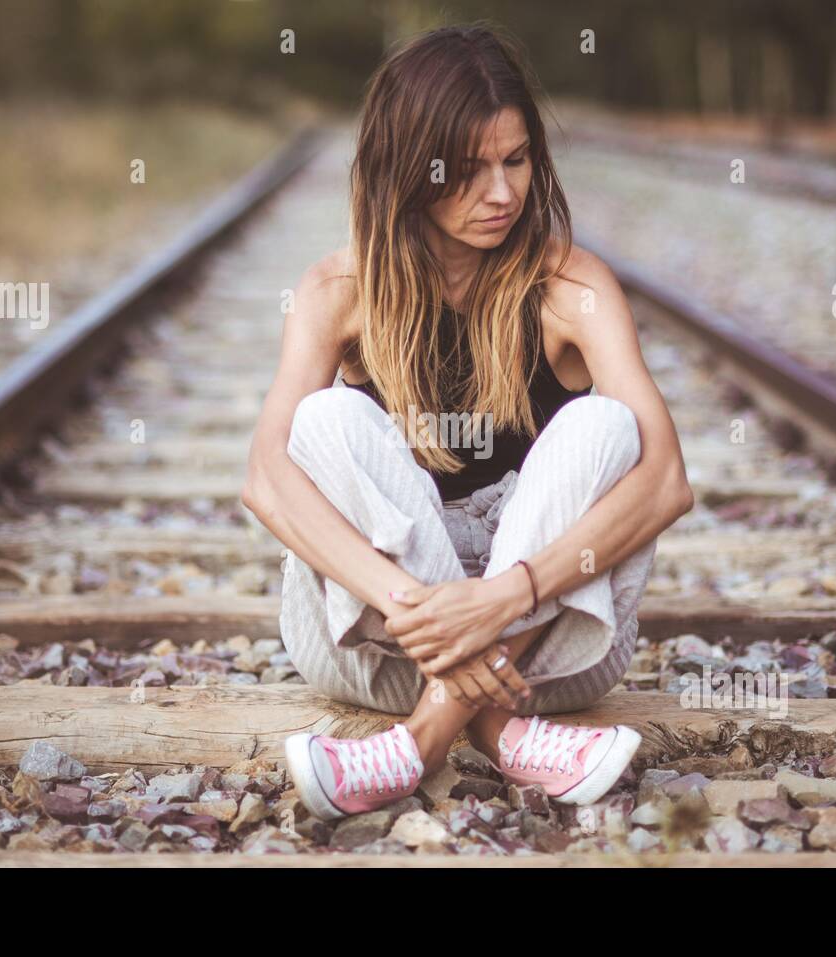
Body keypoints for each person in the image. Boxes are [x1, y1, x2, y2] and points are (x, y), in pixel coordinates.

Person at [242, 23, 694, 822]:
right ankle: (498, 732)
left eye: (516, 160)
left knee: (608, 430)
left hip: (554, 654)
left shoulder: (570, 287)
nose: (503, 193)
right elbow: (266, 481)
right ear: (409, 167)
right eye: (471, 168)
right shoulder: (337, 292)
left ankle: (416, 744)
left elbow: (665, 481)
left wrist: (505, 597)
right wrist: (420, 604)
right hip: (373, 648)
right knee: (322, 421)